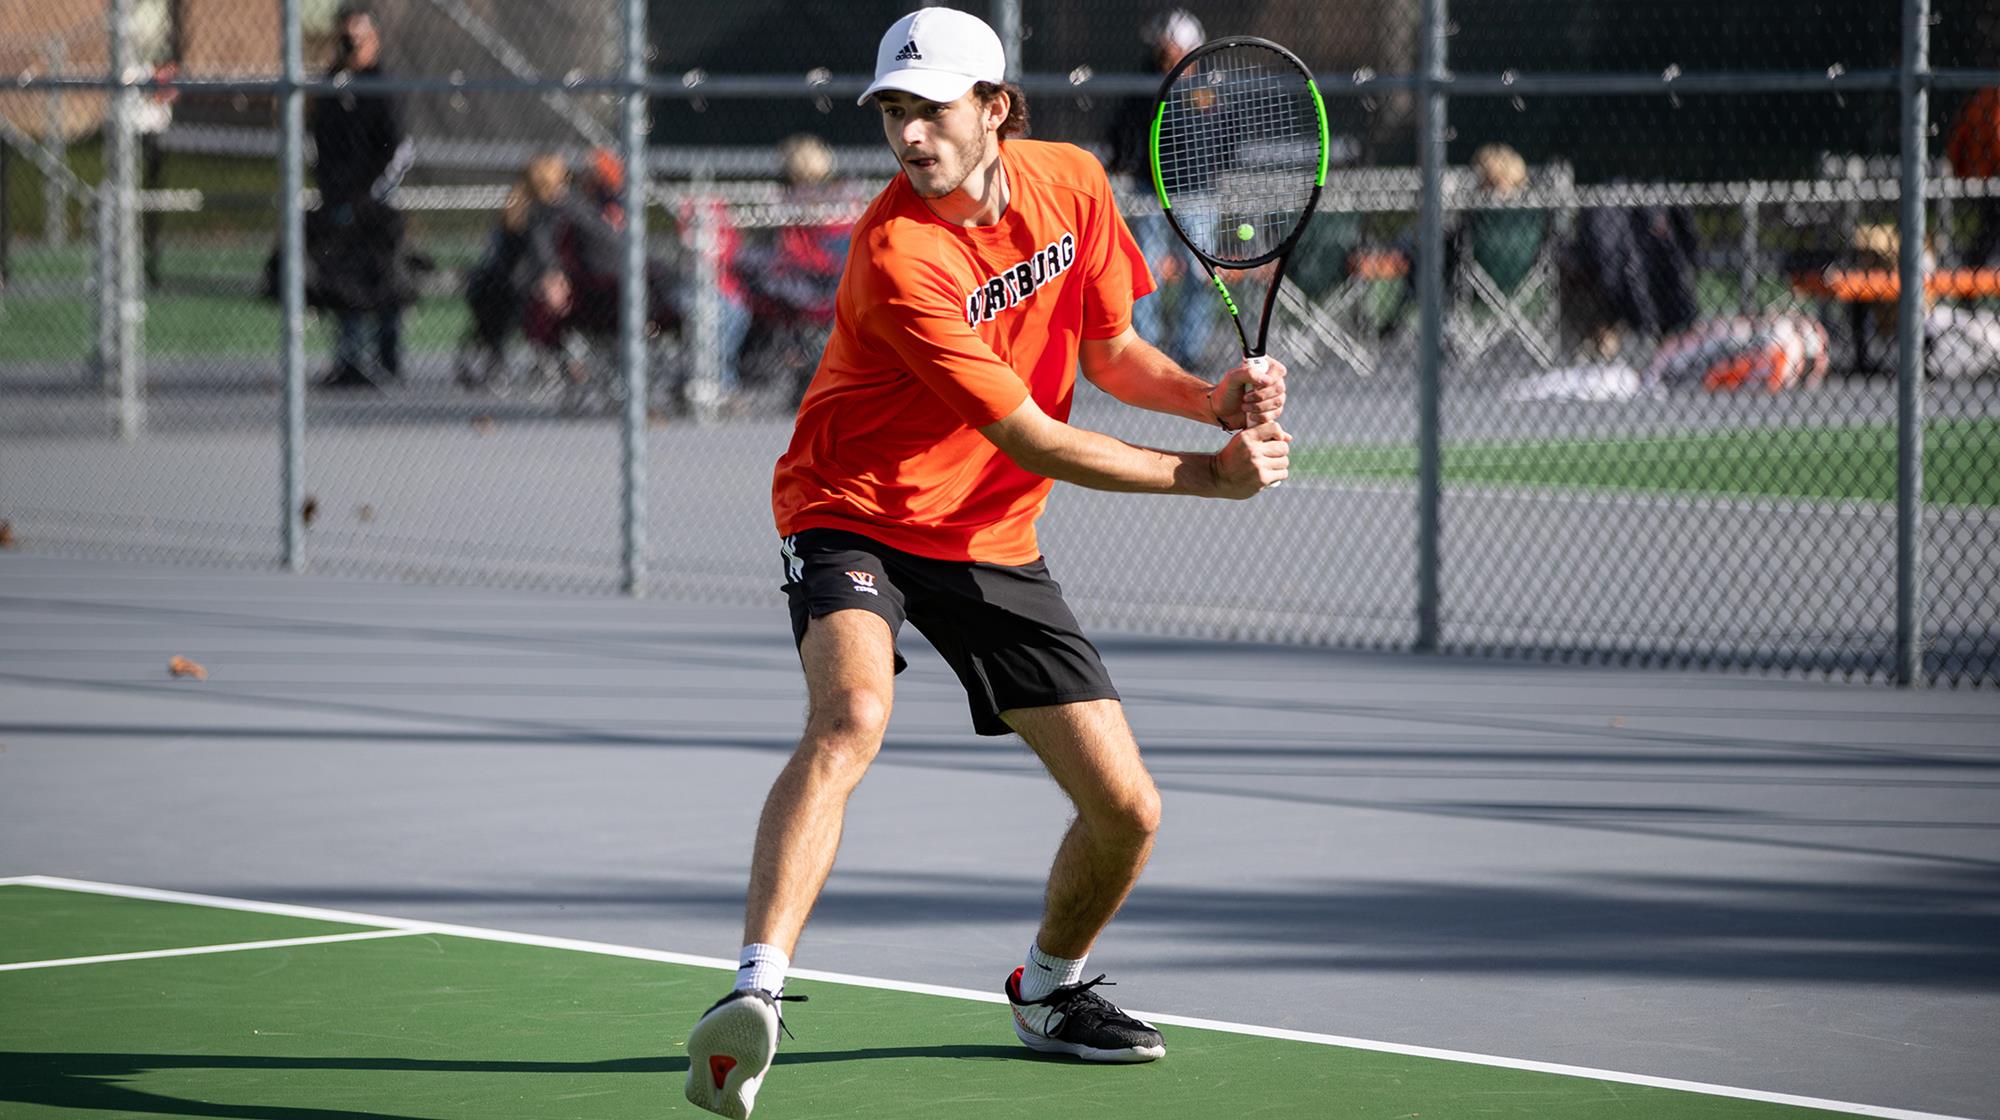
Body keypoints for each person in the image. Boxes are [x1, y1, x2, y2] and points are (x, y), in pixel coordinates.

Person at [680, 9, 1292, 1119]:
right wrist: (1208, 476)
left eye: (931, 107)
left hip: (988, 536)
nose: (910, 134)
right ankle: (752, 997)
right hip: (851, 509)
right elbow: (1038, 436)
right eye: (893, 113)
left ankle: (1048, 993)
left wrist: (1207, 400)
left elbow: (1108, 353)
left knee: (1128, 812)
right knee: (850, 715)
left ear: (996, 107)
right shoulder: (896, 252)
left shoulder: (1070, 184)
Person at [309, 3, 415, 389]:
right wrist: (331, 188)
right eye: (345, 36)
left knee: (384, 277)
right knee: (341, 278)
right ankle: (349, 359)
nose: (351, 44)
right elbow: (318, 142)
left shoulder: (384, 82)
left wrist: (372, 194)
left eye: (359, 35)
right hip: (340, 201)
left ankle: (388, 360)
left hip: (377, 202)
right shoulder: (332, 84)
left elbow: (399, 149)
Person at [1105, 9, 1214, 369]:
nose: (1168, 55)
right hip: (1150, 191)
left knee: (1201, 275)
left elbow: (1226, 139)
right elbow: (1122, 130)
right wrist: (1123, 160)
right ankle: (1146, 348)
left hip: (1199, 193)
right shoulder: (1145, 84)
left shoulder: (1210, 88)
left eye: (1176, 48)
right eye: (1165, 49)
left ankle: (1191, 350)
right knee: (1145, 272)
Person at [455, 154, 572, 390]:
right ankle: (564, 363)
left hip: (493, 288)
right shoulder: (538, 214)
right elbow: (542, 256)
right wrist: (554, 277)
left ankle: (500, 362)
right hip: (518, 291)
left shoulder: (515, 207)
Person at [1946, 88, 2000, 268]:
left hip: (1983, 175)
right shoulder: (1988, 100)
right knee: (1989, 234)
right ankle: (1974, 275)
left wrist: (1960, 169)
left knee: (1988, 235)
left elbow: (1957, 140)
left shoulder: (1981, 98)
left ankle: (1974, 272)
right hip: (1989, 176)